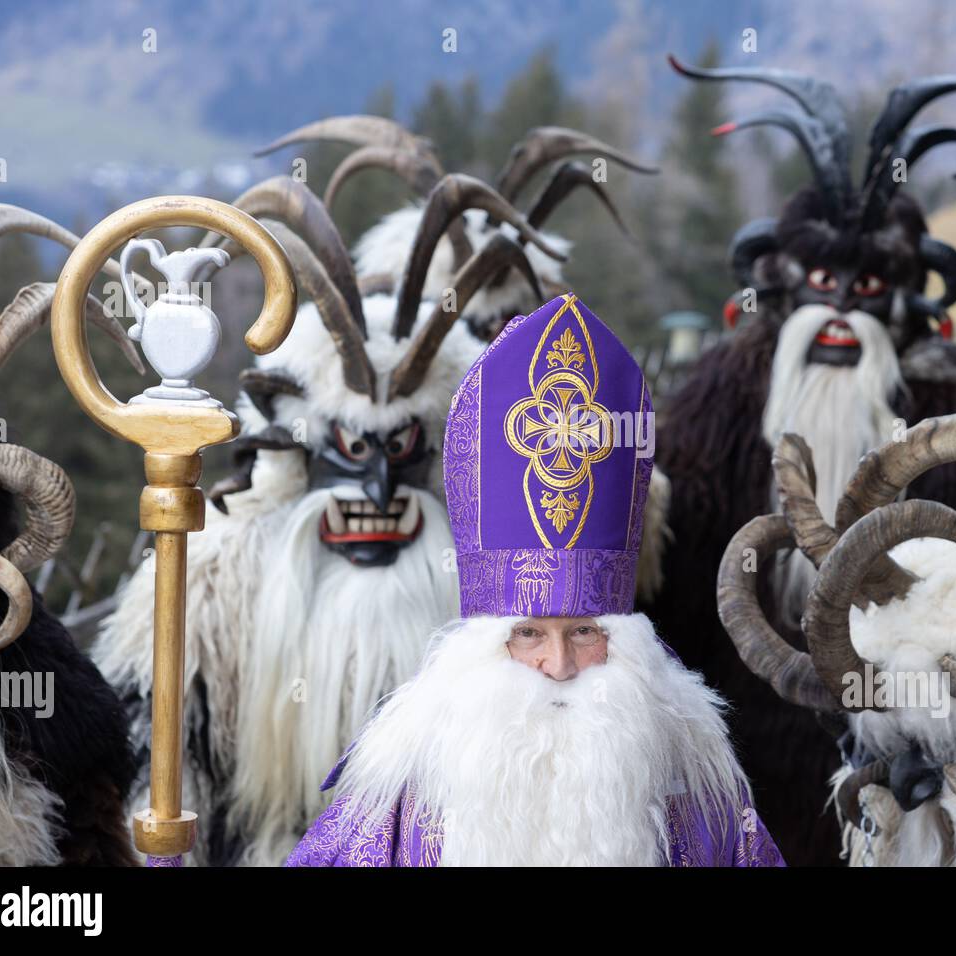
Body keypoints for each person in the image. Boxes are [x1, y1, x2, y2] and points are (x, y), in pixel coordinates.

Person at [286, 294, 784, 866]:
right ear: (481, 648)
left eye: (583, 632)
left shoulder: (704, 808)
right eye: (527, 634)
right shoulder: (394, 808)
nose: (560, 666)